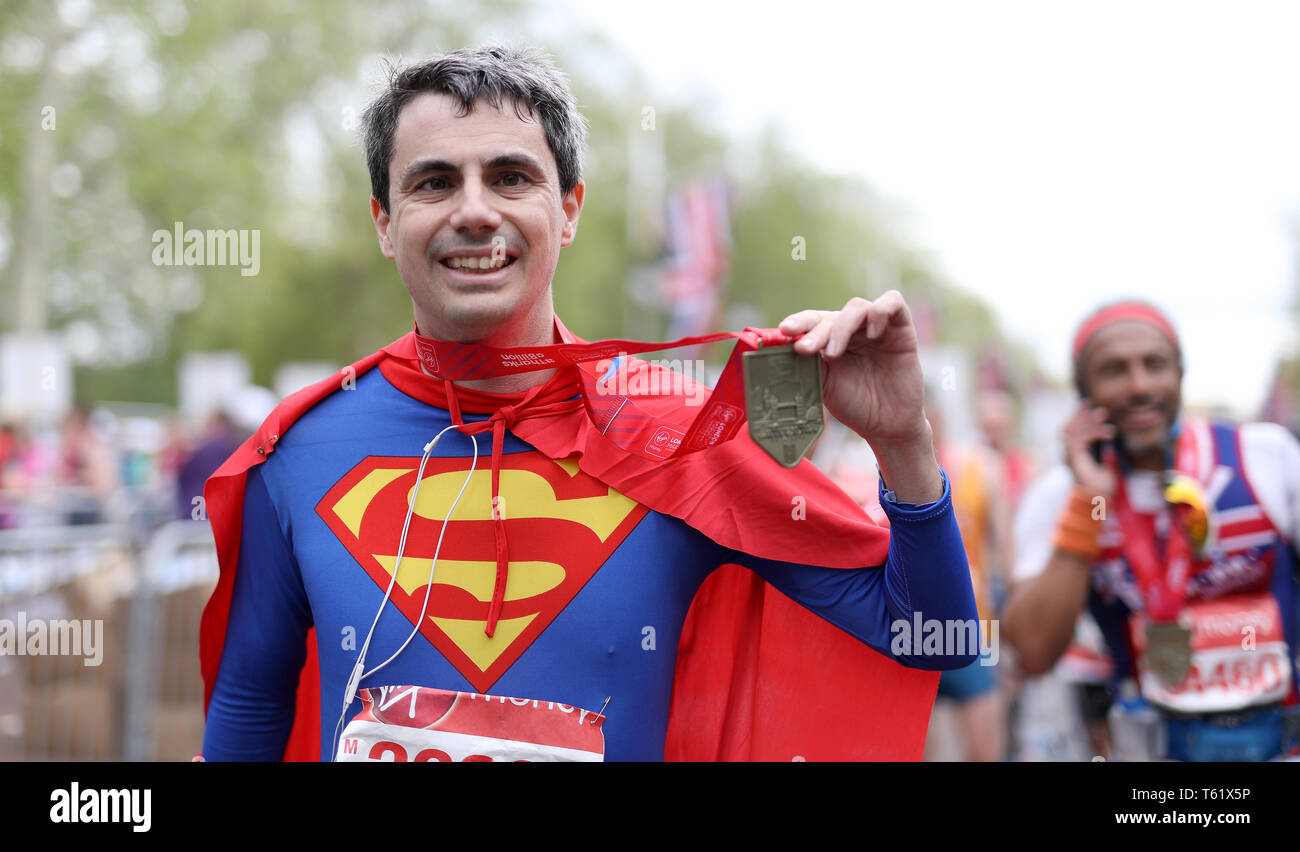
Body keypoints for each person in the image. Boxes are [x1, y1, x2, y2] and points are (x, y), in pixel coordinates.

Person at [198, 45, 978, 762]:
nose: (474, 210)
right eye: (434, 182)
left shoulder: (681, 432)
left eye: (511, 176)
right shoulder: (297, 449)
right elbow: (248, 703)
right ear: (384, 220)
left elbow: (928, 639)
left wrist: (902, 442)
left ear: (568, 210)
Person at [1003, 300, 1300, 761]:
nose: (1140, 386)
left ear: (1180, 374)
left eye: (1154, 365)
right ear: (1084, 391)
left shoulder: (1266, 455)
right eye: (1114, 371)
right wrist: (1088, 506)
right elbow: (1034, 651)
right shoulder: (1062, 495)